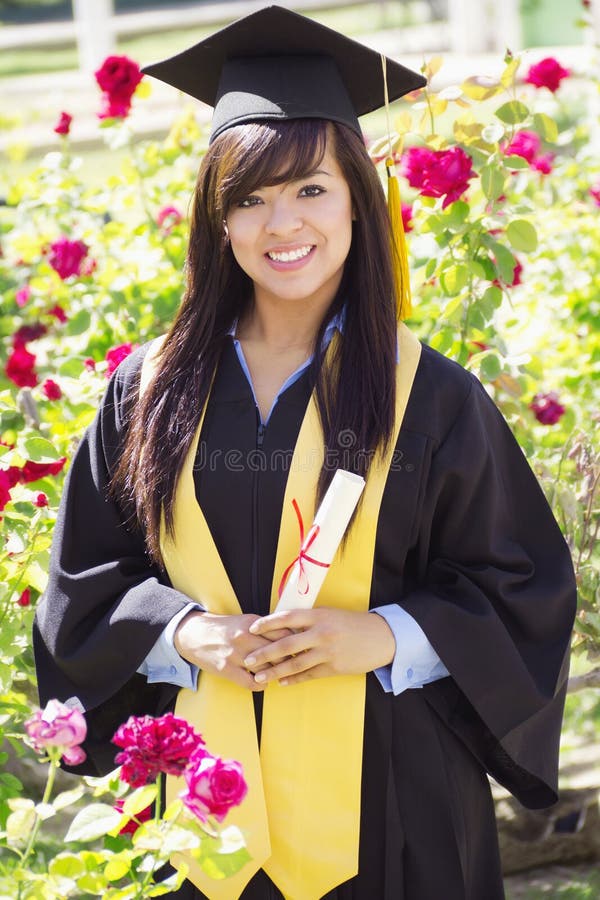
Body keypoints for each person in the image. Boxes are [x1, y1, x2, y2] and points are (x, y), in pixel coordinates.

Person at [33, 6, 577, 899]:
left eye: (311, 189)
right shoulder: (149, 390)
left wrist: (382, 634)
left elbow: (521, 587)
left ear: (359, 198)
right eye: (249, 197)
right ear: (218, 217)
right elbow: (85, 584)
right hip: (206, 800)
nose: (282, 224)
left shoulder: (432, 397)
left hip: (399, 802)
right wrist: (186, 632)